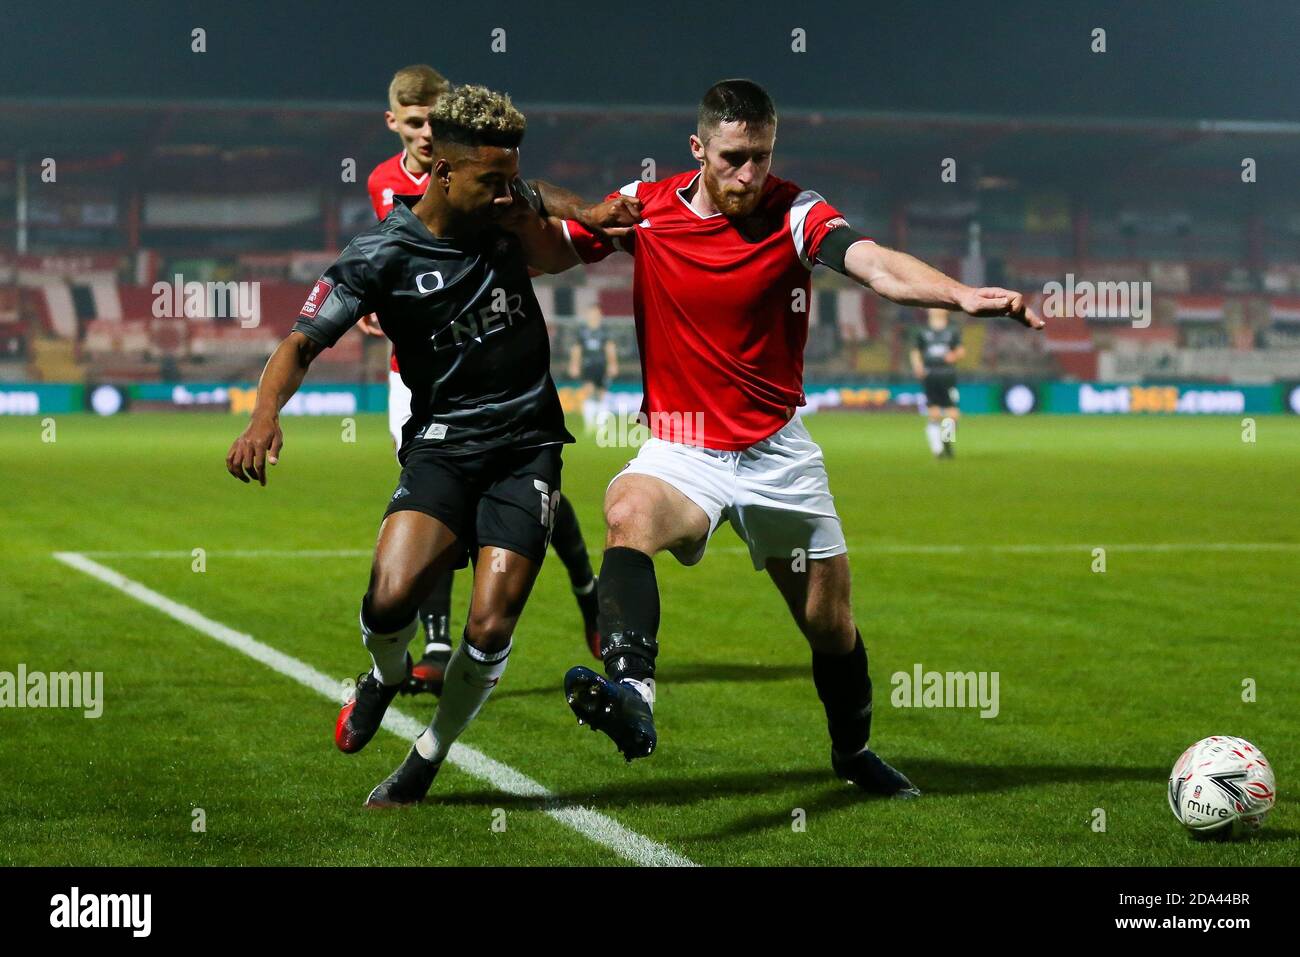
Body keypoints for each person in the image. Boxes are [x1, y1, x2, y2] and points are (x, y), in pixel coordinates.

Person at [542, 79, 1043, 797]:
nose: (750, 173)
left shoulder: (795, 210)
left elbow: (872, 262)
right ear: (698, 149)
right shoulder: (645, 206)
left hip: (777, 452)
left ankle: (854, 752)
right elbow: (550, 247)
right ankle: (633, 697)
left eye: (762, 156)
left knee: (830, 623)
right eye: (735, 157)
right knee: (627, 511)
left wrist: (959, 295)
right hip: (682, 446)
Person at [226, 84, 613, 806]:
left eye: (511, 180)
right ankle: (385, 671)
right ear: (443, 173)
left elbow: (548, 224)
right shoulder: (381, 255)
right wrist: (262, 416)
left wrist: (583, 212)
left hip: (528, 442)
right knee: (388, 597)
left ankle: (427, 756)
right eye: (492, 182)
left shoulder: (504, 216)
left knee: (490, 621)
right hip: (441, 442)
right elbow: (301, 342)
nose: (508, 195)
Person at [362, 67, 607, 690]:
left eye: (431, 121)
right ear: (394, 123)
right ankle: (439, 642)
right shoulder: (385, 183)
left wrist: (581, 210)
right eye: (412, 122)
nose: (422, 132)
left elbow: (530, 194)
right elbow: (397, 250)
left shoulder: (486, 176)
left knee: (528, 486)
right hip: (421, 379)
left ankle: (585, 589)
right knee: (433, 498)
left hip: (497, 370)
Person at [909, 307, 965, 458]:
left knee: (952, 415)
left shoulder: (952, 330)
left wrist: (953, 355)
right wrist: (917, 365)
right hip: (930, 374)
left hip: (947, 374)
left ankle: (946, 439)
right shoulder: (922, 331)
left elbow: (960, 350)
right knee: (933, 413)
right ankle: (937, 450)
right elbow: (915, 351)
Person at [568, 302, 619, 434]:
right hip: (587, 365)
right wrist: (574, 364)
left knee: (601, 394)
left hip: (602, 366)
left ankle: (602, 427)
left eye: (596, 313)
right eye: (591, 313)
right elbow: (576, 349)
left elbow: (610, 348)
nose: (594, 316)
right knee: (589, 391)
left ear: (600, 315)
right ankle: (590, 426)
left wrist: (613, 364)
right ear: (588, 315)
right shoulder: (582, 331)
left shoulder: (605, 330)